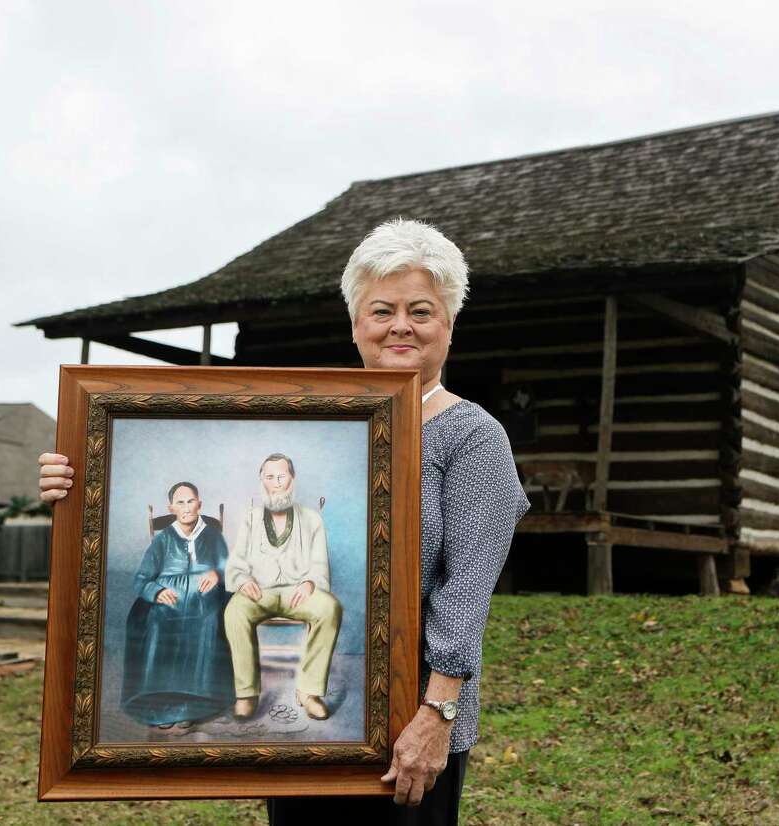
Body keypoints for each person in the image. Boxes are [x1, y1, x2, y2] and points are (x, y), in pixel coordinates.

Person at [39, 218, 530, 825]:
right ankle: (243, 693)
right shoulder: (318, 419)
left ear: (449, 324)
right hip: (304, 755)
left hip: (413, 722)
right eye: (382, 310)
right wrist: (81, 480)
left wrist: (437, 715)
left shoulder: (473, 436)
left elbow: (466, 593)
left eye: (421, 311)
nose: (400, 325)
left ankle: (312, 688)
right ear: (356, 325)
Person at [224, 452, 342, 722]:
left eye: (281, 476)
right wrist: (243, 581)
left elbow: (319, 563)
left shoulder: (312, 518)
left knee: (329, 608)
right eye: (269, 477)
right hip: (259, 592)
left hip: (297, 592)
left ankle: (309, 692)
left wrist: (311, 582)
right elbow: (237, 563)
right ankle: (246, 693)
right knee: (234, 611)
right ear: (261, 481)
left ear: (292, 479)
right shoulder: (251, 518)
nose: (275, 482)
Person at [122, 481, 235, 729]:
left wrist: (217, 573)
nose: (186, 507)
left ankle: (196, 703)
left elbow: (231, 567)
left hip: (206, 599)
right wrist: (157, 590)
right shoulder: (162, 541)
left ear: (199, 504)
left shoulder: (214, 535)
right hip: (168, 603)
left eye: (191, 501)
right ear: (171, 507)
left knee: (210, 619)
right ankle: (161, 700)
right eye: (180, 502)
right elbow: (141, 579)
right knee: (158, 619)